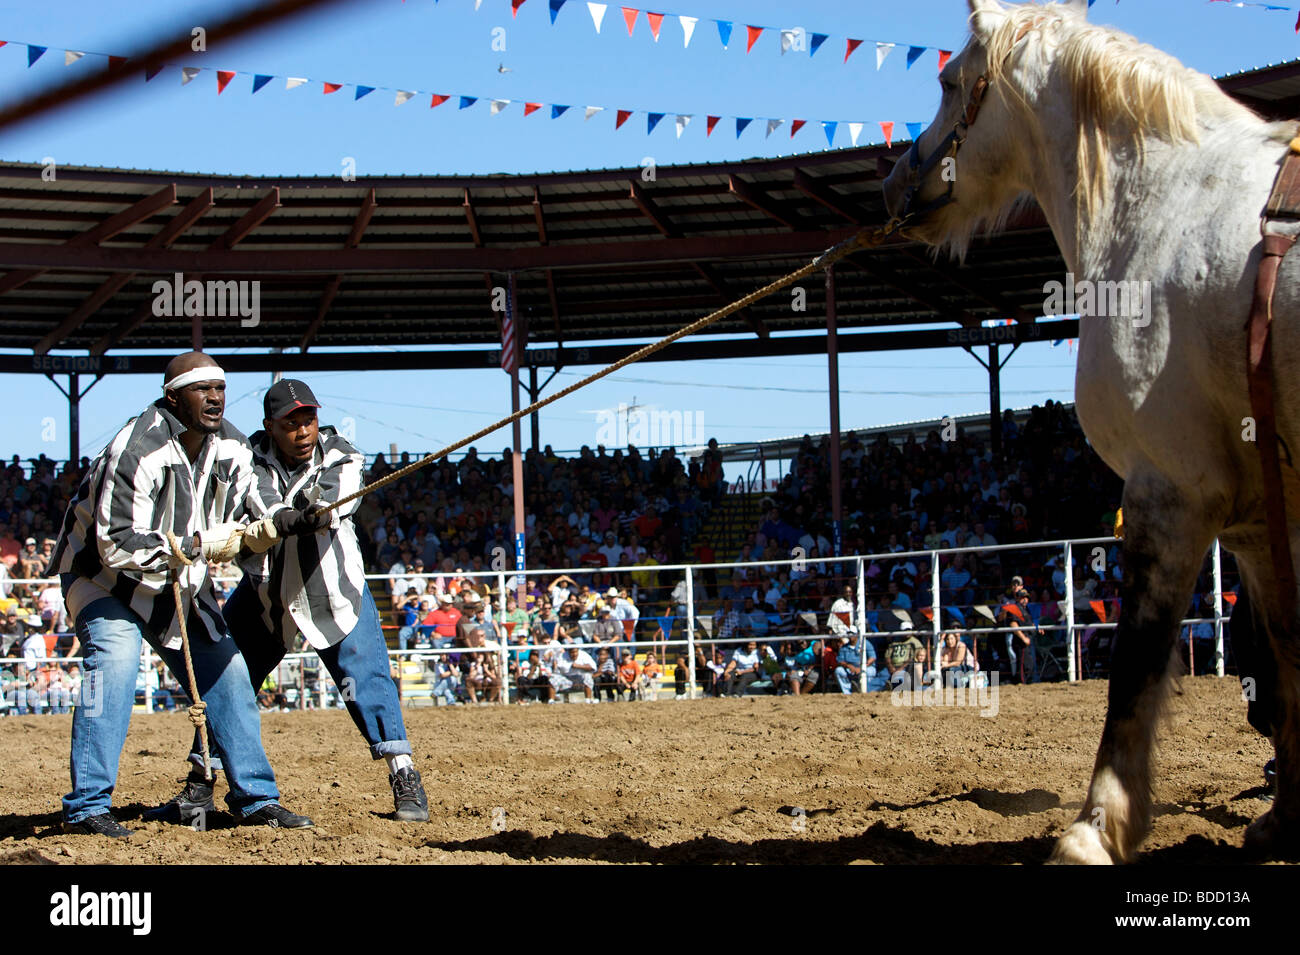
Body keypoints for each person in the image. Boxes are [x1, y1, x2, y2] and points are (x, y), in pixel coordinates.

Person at [51, 352, 313, 838]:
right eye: (202, 389)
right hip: (102, 579)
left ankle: (256, 799)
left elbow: (258, 507)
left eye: (220, 387)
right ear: (174, 397)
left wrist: (290, 518)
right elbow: (117, 544)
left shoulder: (231, 445)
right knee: (114, 660)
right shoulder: (134, 450)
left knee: (230, 673)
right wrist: (196, 545)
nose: (216, 398)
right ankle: (87, 806)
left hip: (180, 584)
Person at [147, 378, 427, 825]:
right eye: (290, 423)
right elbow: (260, 499)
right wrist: (286, 516)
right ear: (269, 427)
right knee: (228, 683)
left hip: (334, 596)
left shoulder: (343, 453)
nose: (302, 431)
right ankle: (201, 783)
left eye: (308, 419)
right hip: (264, 596)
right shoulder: (247, 459)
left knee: (369, 683)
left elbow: (336, 501)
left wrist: (319, 511)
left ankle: (405, 777)